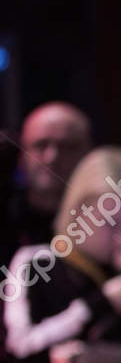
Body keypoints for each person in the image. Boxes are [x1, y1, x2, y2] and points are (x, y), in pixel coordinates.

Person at [4, 147, 121, 363]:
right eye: (112, 224)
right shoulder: (36, 262)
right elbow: (18, 349)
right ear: (79, 212)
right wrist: (101, 304)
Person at [5, 102, 94, 266]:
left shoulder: (104, 219)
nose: (52, 157)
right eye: (41, 145)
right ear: (22, 153)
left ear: (88, 154)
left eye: (67, 147)